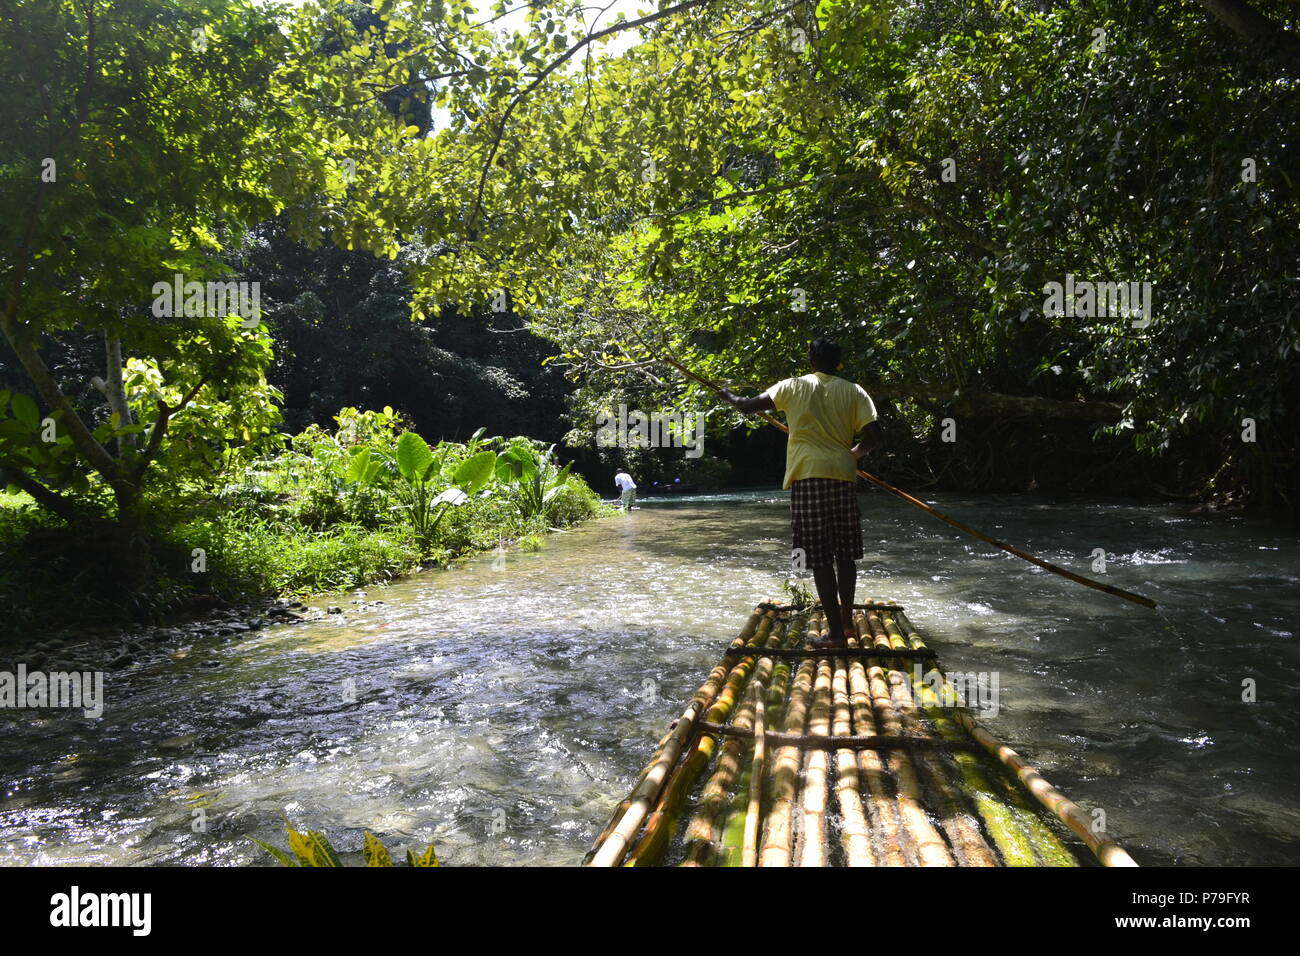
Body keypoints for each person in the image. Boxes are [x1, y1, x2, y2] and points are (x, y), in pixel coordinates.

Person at [724, 337, 883, 648]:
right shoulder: (854, 391)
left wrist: (727, 394)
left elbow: (747, 406)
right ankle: (847, 625)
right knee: (846, 554)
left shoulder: (792, 386)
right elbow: (875, 437)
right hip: (842, 474)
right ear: (838, 361)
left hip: (808, 476)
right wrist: (852, 454)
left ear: (811, 358)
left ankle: (836, 634)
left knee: (821, 556)